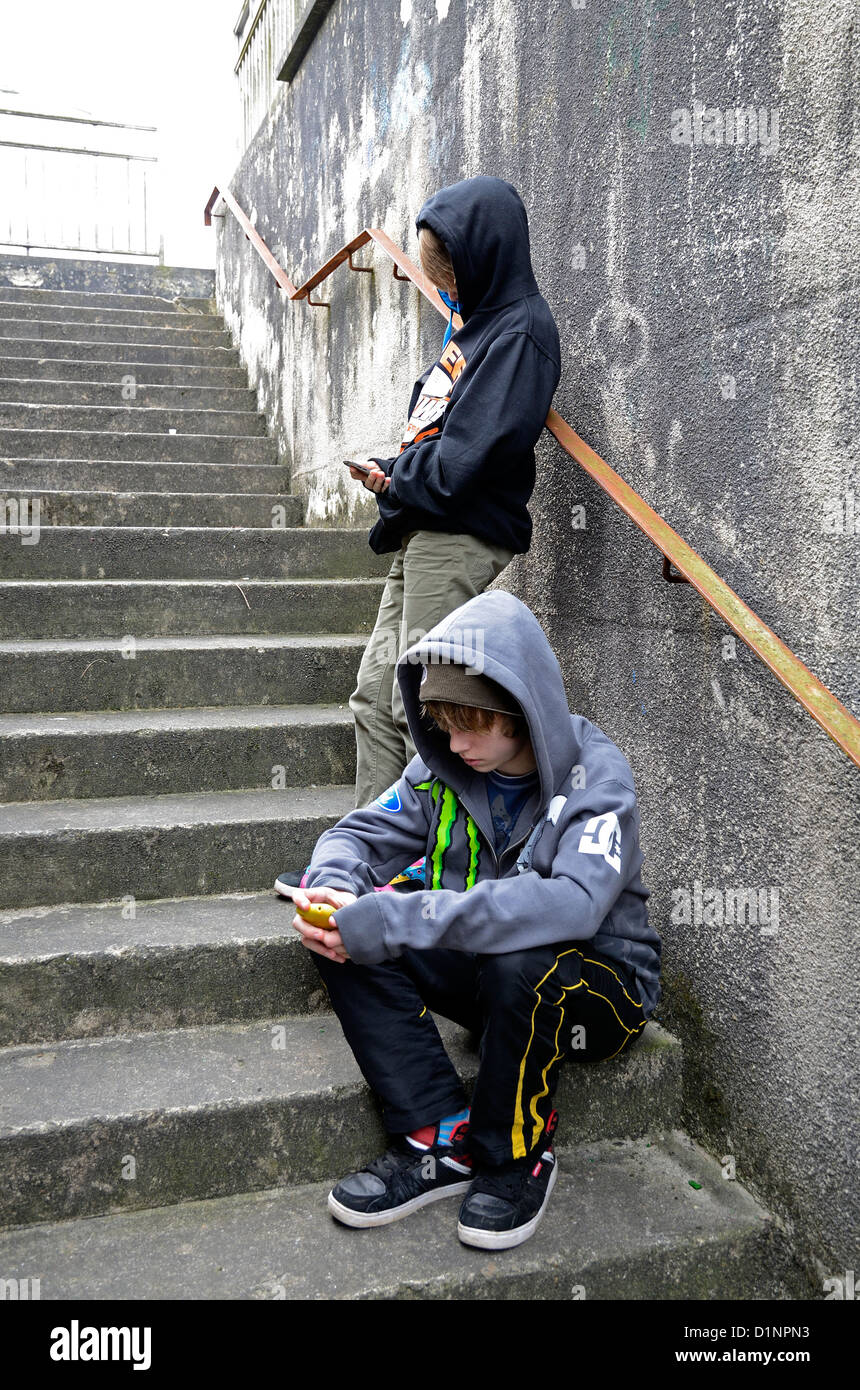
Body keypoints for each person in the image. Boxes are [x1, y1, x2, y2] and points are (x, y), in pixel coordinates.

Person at [288, 589, 662, 1250]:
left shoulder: (596, 776)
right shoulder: (442, 765)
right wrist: (336, 892)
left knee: (525, 956)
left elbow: (570, 904)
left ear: (522, 711)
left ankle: (514, 1156)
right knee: (341, 933)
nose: (454, 743)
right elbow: (355, 837)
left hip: (600, 989)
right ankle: (438, 1136)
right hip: (496, 984)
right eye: (441, 721)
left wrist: (406, 914)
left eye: (473, 724)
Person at [345, 175, 561, 810]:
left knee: (423, 710)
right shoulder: (474, 329)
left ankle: (428, 870)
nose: (447, 290)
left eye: (453, 278)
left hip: (457, 534)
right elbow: (439, 440)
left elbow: (468, 459)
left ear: (487, 255)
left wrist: (399, 474)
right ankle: (364, 858)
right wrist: (393, 470)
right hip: (423, 527)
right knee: (375, 695)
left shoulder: (520, 334)